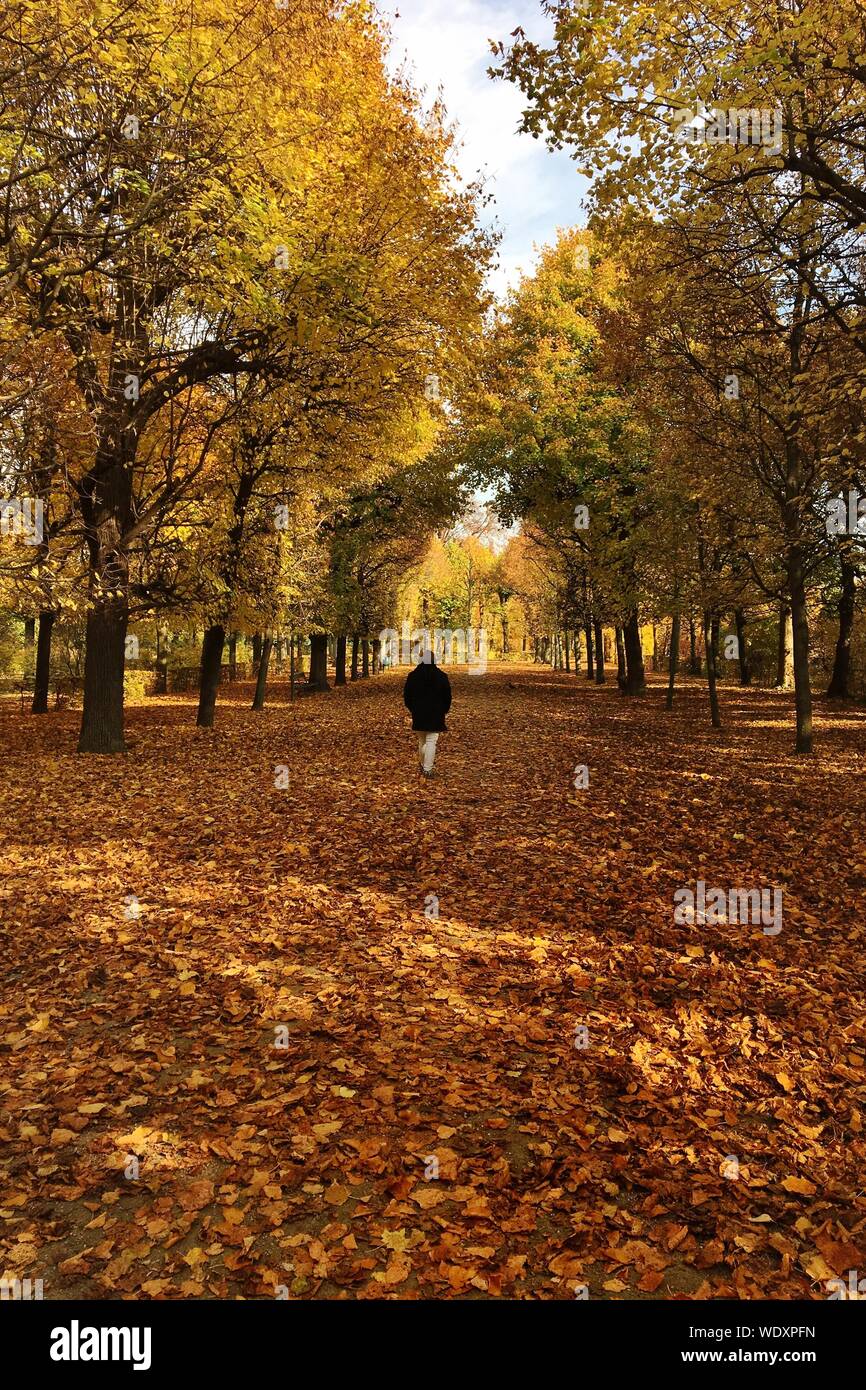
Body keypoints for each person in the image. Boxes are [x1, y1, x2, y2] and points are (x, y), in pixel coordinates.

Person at [403, 650, 452, 778]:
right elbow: (447, 697)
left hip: (418, 713)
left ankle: (423, 764)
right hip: (436, 713)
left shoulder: (413, 676)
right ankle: (427, 769)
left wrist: (413, 709)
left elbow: (407, 697)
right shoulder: (441, 676)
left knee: (422, 741)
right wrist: (444, 710)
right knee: (431, 741)